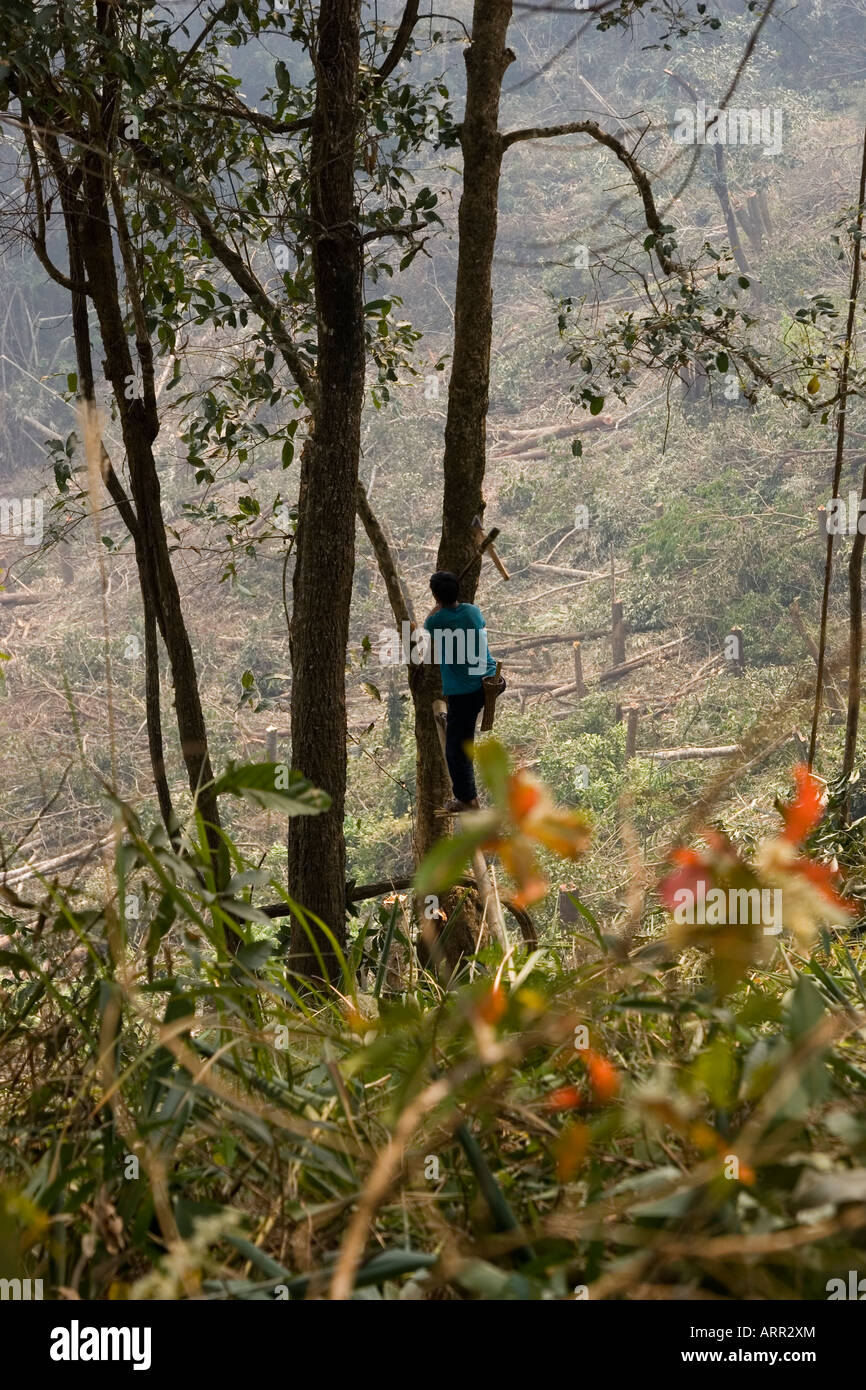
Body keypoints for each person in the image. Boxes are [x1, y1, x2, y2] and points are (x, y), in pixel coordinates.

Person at [424, 570, 498, 812]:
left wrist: (437, 604)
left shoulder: (437, 622)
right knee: (460, 734)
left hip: (465, 692)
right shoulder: (473, 611)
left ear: (436, 595)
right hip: (489, 680)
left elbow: (428, 621)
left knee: (456, 750)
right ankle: (468, 797)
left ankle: (467, 800)